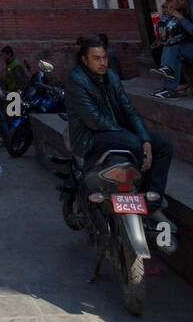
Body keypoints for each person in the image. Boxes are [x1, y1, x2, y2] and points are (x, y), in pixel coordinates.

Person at [66, 38, 173, 226]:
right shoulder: (76, 80)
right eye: (96, 59)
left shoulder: (111, 76)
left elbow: (128, 109)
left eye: (104, 58)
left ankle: (152, 203)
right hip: (92, 137)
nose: (102, 63)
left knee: (163, 145)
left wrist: (145, 139)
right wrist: (134, 140)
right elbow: (95, 120)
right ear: (84, 60)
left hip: (118, 133)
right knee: (133, 144)